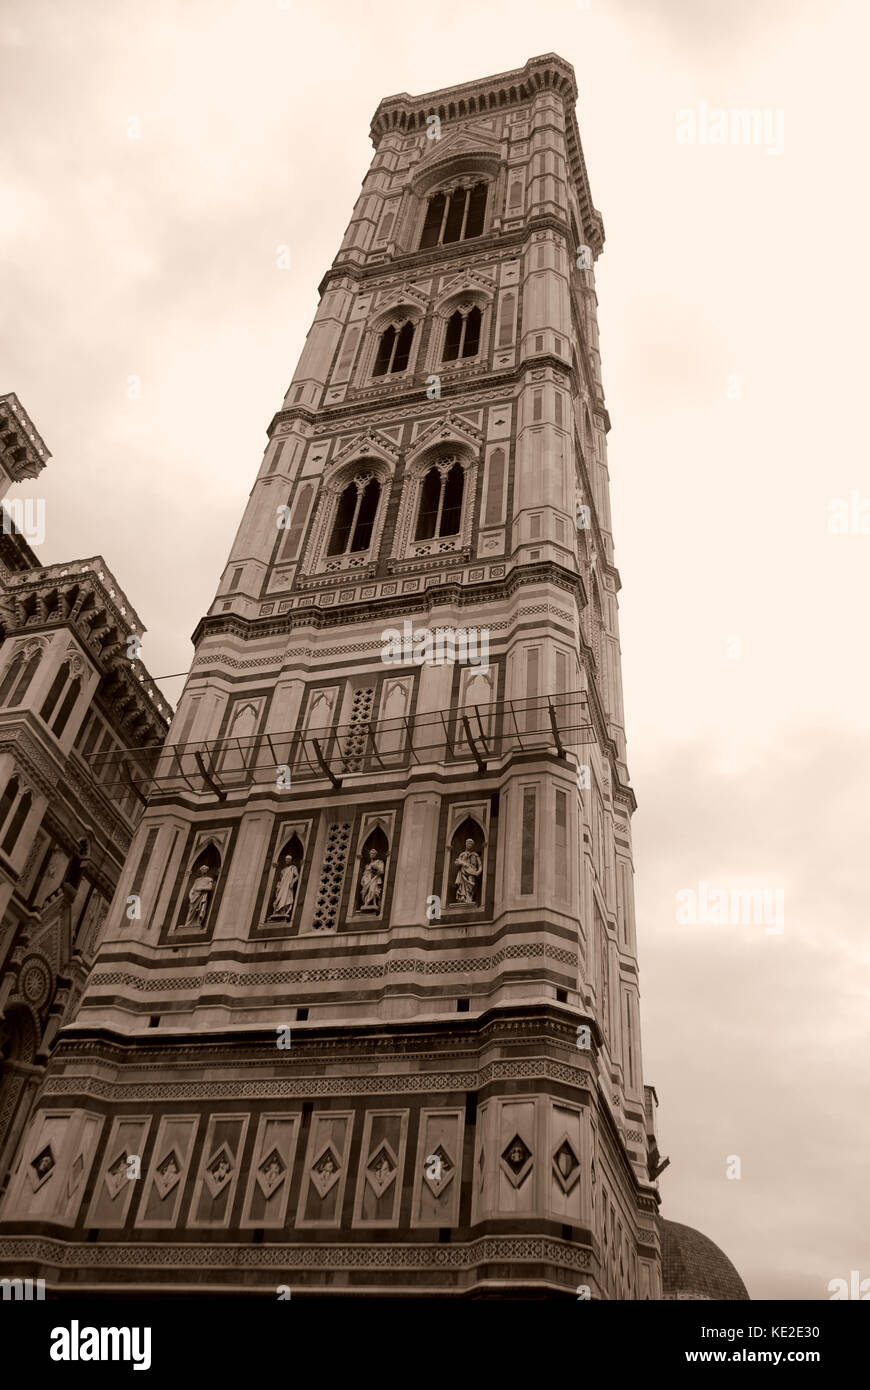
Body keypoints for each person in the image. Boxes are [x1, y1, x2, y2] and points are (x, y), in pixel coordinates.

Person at [184, 864, 216, 928]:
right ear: (200, 871)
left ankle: (197, 923)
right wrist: (190, 896)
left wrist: (202, 888)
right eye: (202, 869)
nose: (203, 871)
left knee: (200, 909)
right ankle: (188, 924)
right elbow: (193, 888)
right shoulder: (197, 880)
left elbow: (210, 887)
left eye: (205, 869)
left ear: (207, 871)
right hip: (194, 896)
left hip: (201, 895)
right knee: (191, 910)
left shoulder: (209, 879)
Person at [454, 838, 482, 904]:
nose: (469, 845)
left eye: (470, 844)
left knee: (471, 886)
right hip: (463, 873)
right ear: (466, 844)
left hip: (471, 873)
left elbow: (480, 865)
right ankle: (462, 897)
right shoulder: (462, 854)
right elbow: (457, 862)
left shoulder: (475, 855)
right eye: (468, 843)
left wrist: (478, 872)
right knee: (462, 885)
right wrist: (461, 863)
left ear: (472, 846)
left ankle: (469, 898)